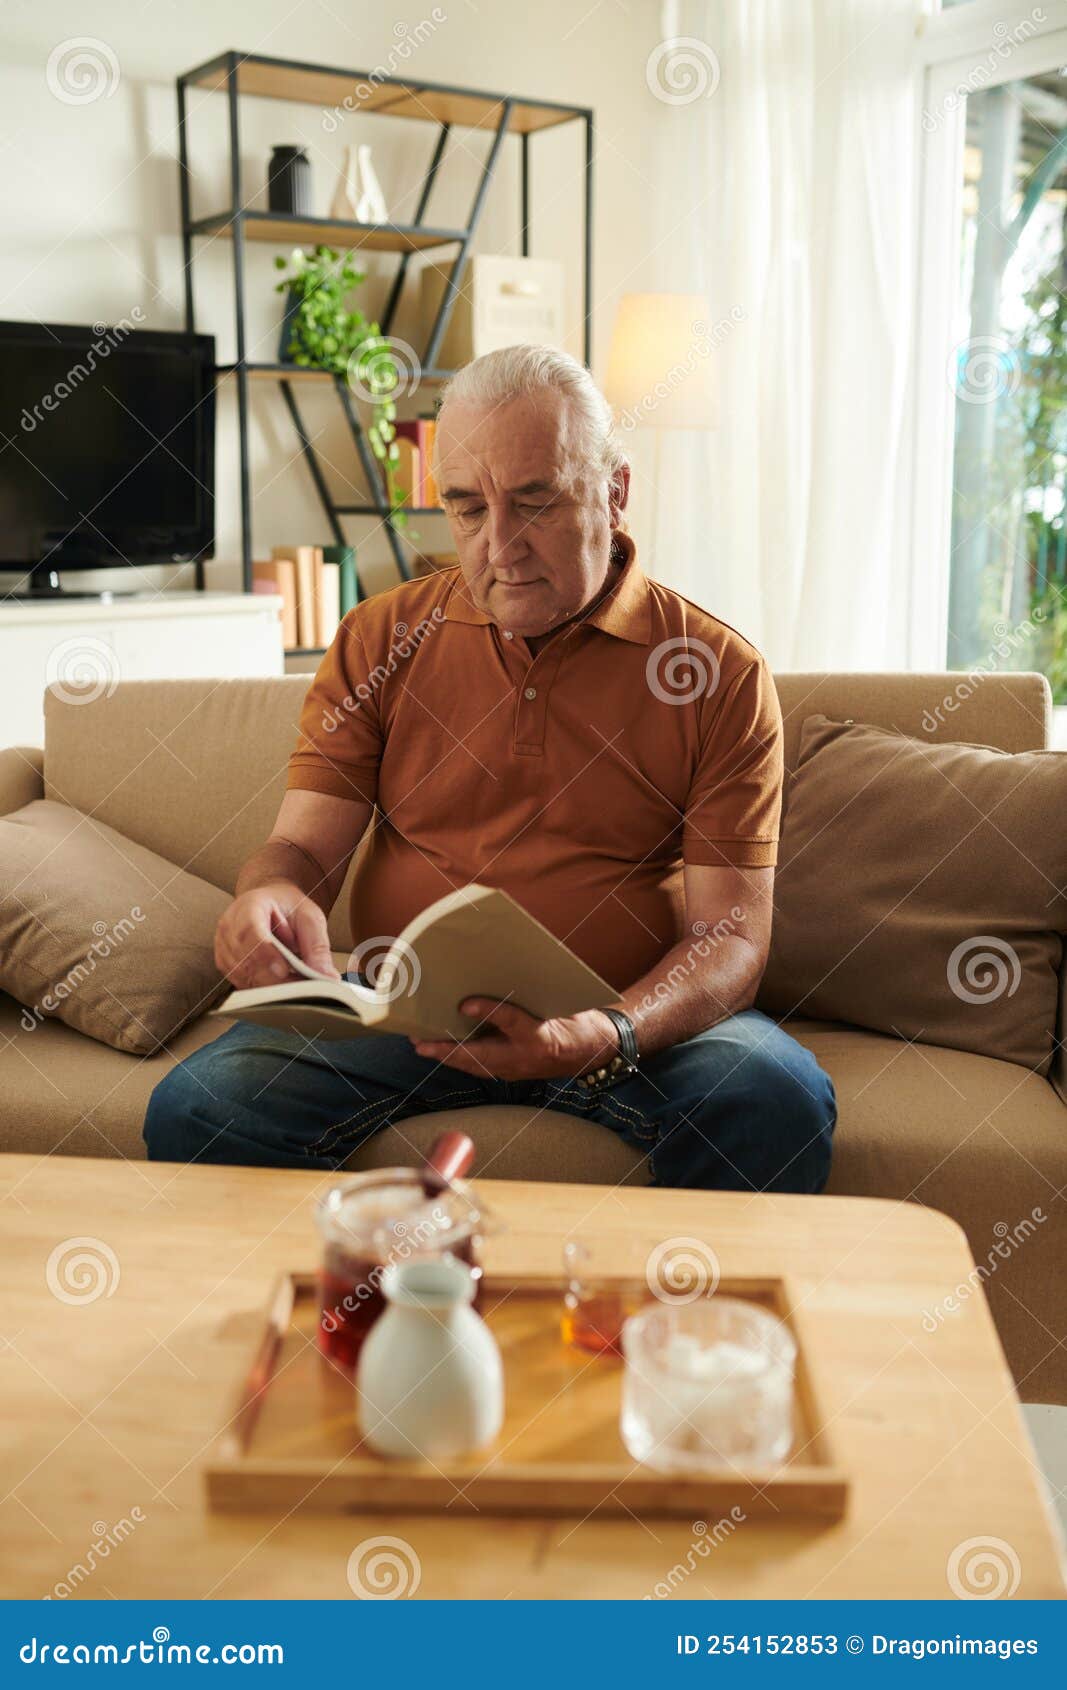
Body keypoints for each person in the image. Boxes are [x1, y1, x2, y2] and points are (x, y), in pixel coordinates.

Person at [144, 344, 835, 1187]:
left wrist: (609, 1032)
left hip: (629, 1023)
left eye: (534, 502)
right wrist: (269, 895)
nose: (499, 547)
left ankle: (664, 1320)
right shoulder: (379, 638)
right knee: (200, 1104)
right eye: (467, 508)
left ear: (614, 492)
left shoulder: (715, 671)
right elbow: (303, 852)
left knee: (774, 1097)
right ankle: (341, 1318)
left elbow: (729, 939)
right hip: (405, 1015)